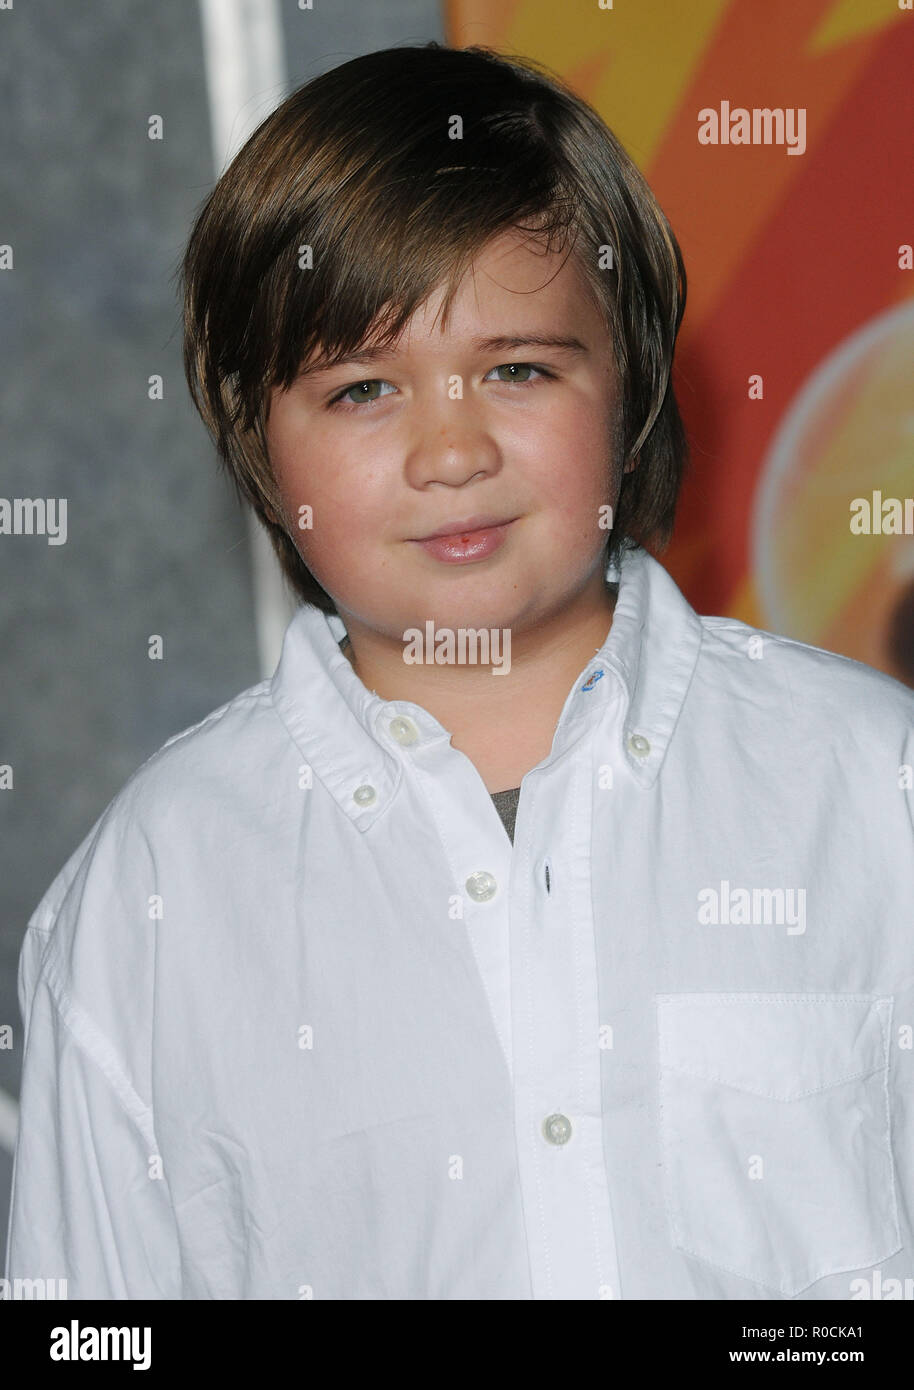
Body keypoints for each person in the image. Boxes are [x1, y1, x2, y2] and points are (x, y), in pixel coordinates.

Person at [6, 41, 914, 1301]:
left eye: (516, 369)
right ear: (255, 438)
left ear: (632, 383)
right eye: (364, 388)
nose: (449, 450)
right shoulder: (148, 897)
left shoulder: (876, 788)